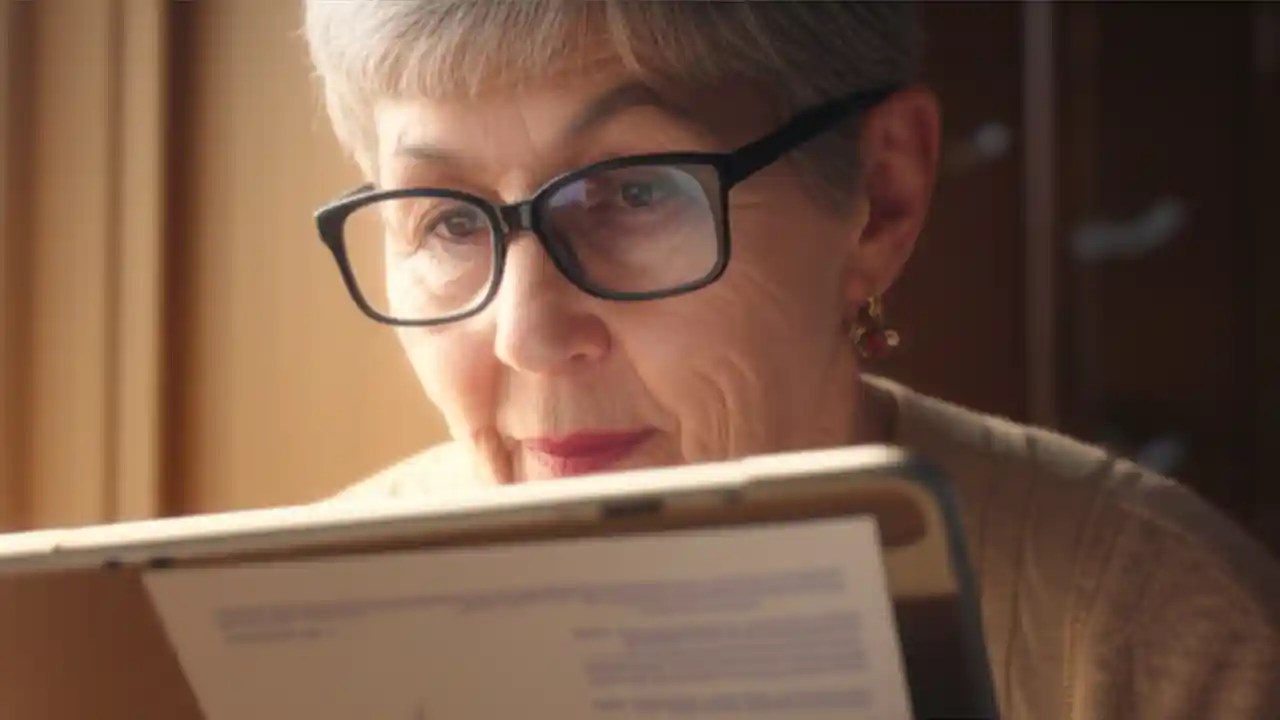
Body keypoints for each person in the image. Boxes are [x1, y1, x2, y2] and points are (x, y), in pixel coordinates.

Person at [302, 2, 1279, 718]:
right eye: (441, 222)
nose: (525, 333)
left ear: (879, 193)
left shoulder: (1139, 631)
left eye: (634, 194)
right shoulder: (278, 634)